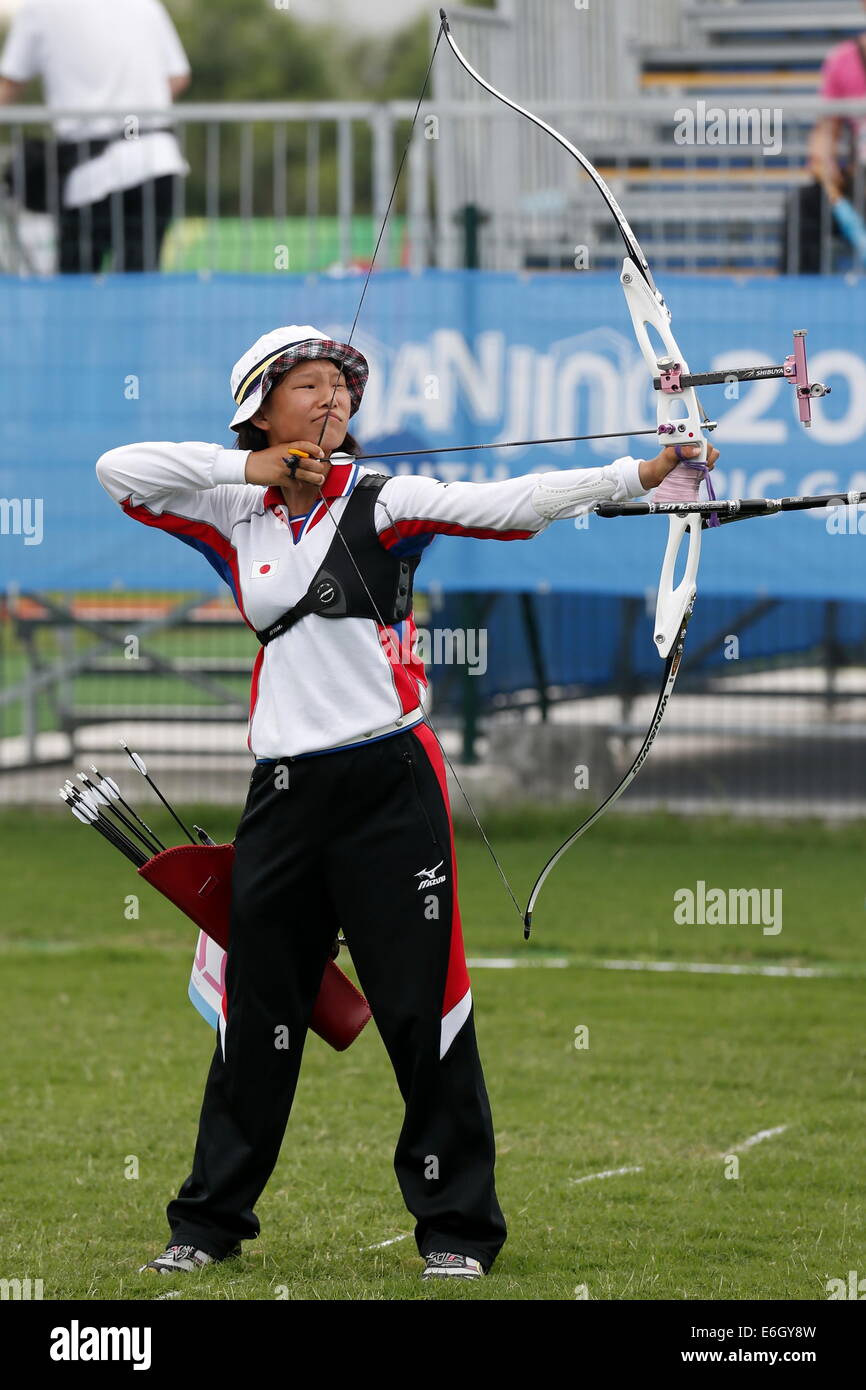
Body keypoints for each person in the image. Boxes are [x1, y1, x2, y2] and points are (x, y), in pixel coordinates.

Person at [95, 324, 717, 1282]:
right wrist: (257, 467)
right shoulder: (232, 506)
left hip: (391, 788)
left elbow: (509, 501)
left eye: (342, 389)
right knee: (258, 1013)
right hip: (285, 794)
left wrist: (642, 473)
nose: (333, 402)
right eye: (308, 387)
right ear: (261, 405)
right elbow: (118, 469)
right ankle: (209, 1222)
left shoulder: (383, 500)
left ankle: (458, 1231)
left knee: (422, 1011)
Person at [0, 0, 190, 272]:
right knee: (139, 285)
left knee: (74, 293)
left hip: (89, 174)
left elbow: (10, 84)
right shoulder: (145, 5)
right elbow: (177, 78)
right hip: (156, 160)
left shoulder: (39, 9)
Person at [782, 1, 866, 272]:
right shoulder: (843, 61)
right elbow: (825, 132)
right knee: (803, 206)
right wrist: (833, 193)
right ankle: (797, 304)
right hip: (861, 184)